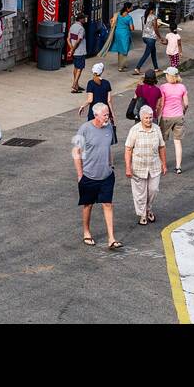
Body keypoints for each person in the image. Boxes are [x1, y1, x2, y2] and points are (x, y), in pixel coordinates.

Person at [72, 103, 122, 251]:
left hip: (106, 175)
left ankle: (111, 238)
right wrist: (80, 175)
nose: (108, 117)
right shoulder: (84, 129)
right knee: (88, 205)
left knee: (108, 204)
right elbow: (76, 152)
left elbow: (109, 149)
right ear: (96, 115)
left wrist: (111, 165)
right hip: (89, 175)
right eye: (105, 115)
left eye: (108, 114)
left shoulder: (109, 128)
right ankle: (86, 231)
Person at [125, 104, 168, 226]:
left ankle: (148, 208)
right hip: (138, 167)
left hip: (154, 166)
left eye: (150, 117)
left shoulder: (156, 129)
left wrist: (163, 164)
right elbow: (128, 149)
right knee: (140, 193)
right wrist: (128, 167)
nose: (149, 120)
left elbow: (162, 147)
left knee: (153, 190)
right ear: (141, 118)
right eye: (146, 118)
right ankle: (143, 214)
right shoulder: (135, 130)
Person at [157, 65, 188, 174]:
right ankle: (178, 167)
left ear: (169, 76)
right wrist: (183, 112)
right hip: (179, 116)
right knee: (177, 142)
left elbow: (162, 103)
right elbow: (186, 103)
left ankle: (162, 164)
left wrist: (158, 114)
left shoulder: (163, 87)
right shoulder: (182, 87)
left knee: (162, 142)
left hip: (166, 117)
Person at [81, 62, 116, 144]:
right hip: (104, 113)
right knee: (104, 135)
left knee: (92, 135)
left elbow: (90, 100)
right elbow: (109, 101)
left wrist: (82, 106)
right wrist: (112, 114)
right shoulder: (107, 83)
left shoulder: (90, 83)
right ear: (102, 71)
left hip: (93, 113)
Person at [66, 11, 89, 93]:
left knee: (75, 67)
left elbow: (68, 39)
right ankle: (74, 86)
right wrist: (73, 49)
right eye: (84, 18)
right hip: (80, 51)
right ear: (81, 19)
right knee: (80, 68)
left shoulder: (72, 26)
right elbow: (79, 40)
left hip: (74, 52)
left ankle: (77, 85)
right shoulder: (81, 28)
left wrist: (71, 49)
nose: (85, 20)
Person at [134, 5, 160, 73]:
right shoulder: (153, 17)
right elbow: (155, 28)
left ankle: (156, 67)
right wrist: (160, 37)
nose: (154, 12)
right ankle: (137, 67)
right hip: (151, 38)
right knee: (147, 53)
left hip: (144, 37)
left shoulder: (144, 17)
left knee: (153, 52)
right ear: (152, 10)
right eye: (154, 10)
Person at [109, 3, 134, 72]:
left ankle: (123, 63)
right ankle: (121, 66)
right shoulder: (129, 17)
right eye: (131, 7)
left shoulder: (118, 14)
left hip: (117, 33)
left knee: (120, 49)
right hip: (124, 34)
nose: (132, 8)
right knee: (125, 50)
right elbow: (132, 28)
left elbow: (111, 20)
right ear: (128, 9)